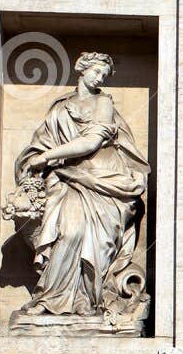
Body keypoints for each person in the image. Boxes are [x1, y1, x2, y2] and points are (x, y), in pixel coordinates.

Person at [11, 53, 148, 322]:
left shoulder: (103, 102)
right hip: (66, 179)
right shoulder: (60, 106)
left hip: (102, 180)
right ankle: (50, 298)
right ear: (81, 70)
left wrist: (47, 157)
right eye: (96, 72)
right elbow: (42, 140)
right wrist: (36, 159)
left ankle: (88, 300)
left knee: (97, 244)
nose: (100, 78)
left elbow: (90, 143)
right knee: (69, 234)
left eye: (104, 75)